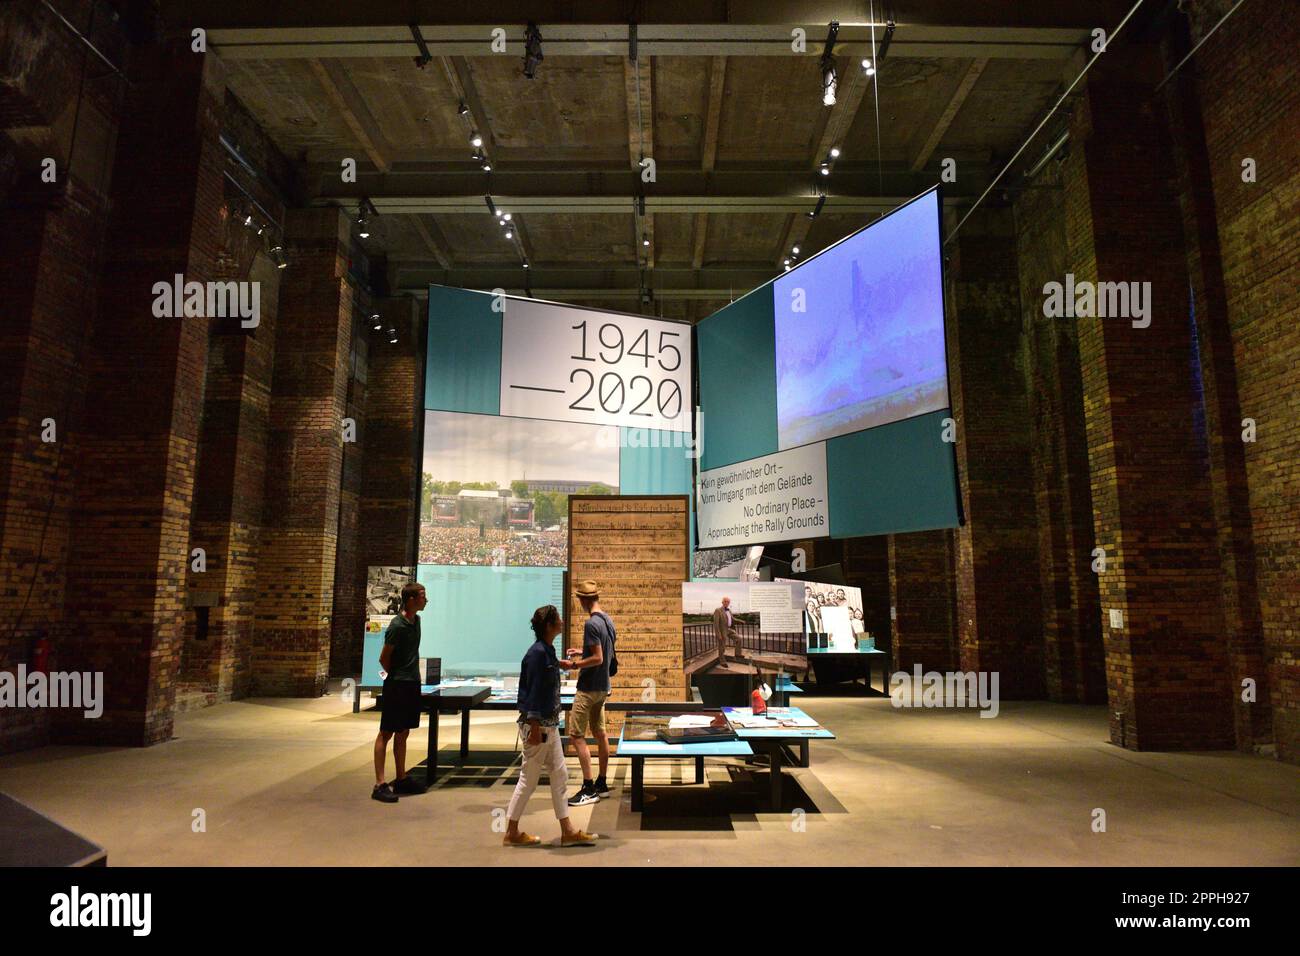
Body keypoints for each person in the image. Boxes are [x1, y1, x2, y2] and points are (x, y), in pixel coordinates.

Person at [503, 605, 598, 847]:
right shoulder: (537, 654)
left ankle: (567, 831)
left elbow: (545, 675)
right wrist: (534, 725)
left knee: (560, 774)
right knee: (528, 779)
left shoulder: (545, 651)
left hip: (549, 726)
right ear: (549, 626)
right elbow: (534, 690)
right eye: (558, 620)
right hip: (539, 727)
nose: (562, 622)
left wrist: (560, 664)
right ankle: (511, 831)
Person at [372, 582, 429, 803]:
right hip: (397, 684)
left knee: (403, 731)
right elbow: (384, 658)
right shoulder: (396, 626)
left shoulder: (417, 621)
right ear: (412, 599)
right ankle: (379, 783)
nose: (426, 600)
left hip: (412, 683)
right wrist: (396, 678)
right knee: (386, 732)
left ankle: (401, 777)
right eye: (423, 596)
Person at [566, 579, 616, 806]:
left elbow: (598, 658)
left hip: (588, 688)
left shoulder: (591, 624)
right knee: (600, 733)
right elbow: (602, 651)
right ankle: (602, 783)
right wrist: (581, 650)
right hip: (603, 687)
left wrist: (574, 665)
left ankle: (588, 788)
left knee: (576, 735)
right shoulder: (607, 620)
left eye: (579, 599)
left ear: (584, 600)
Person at [712, 595, 741, 666]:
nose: (726, 603)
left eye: (728, 602)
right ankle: (722, 661)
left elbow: (733, 619)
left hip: (729, 629)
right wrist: (718, 635)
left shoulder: (729, 610)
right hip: (722, 631)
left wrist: (741, 621)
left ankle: (737, 654)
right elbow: (716, 624)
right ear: (722, 602)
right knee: (722, 647)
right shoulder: (718, 610)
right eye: (725, 601)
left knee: (738, 639)